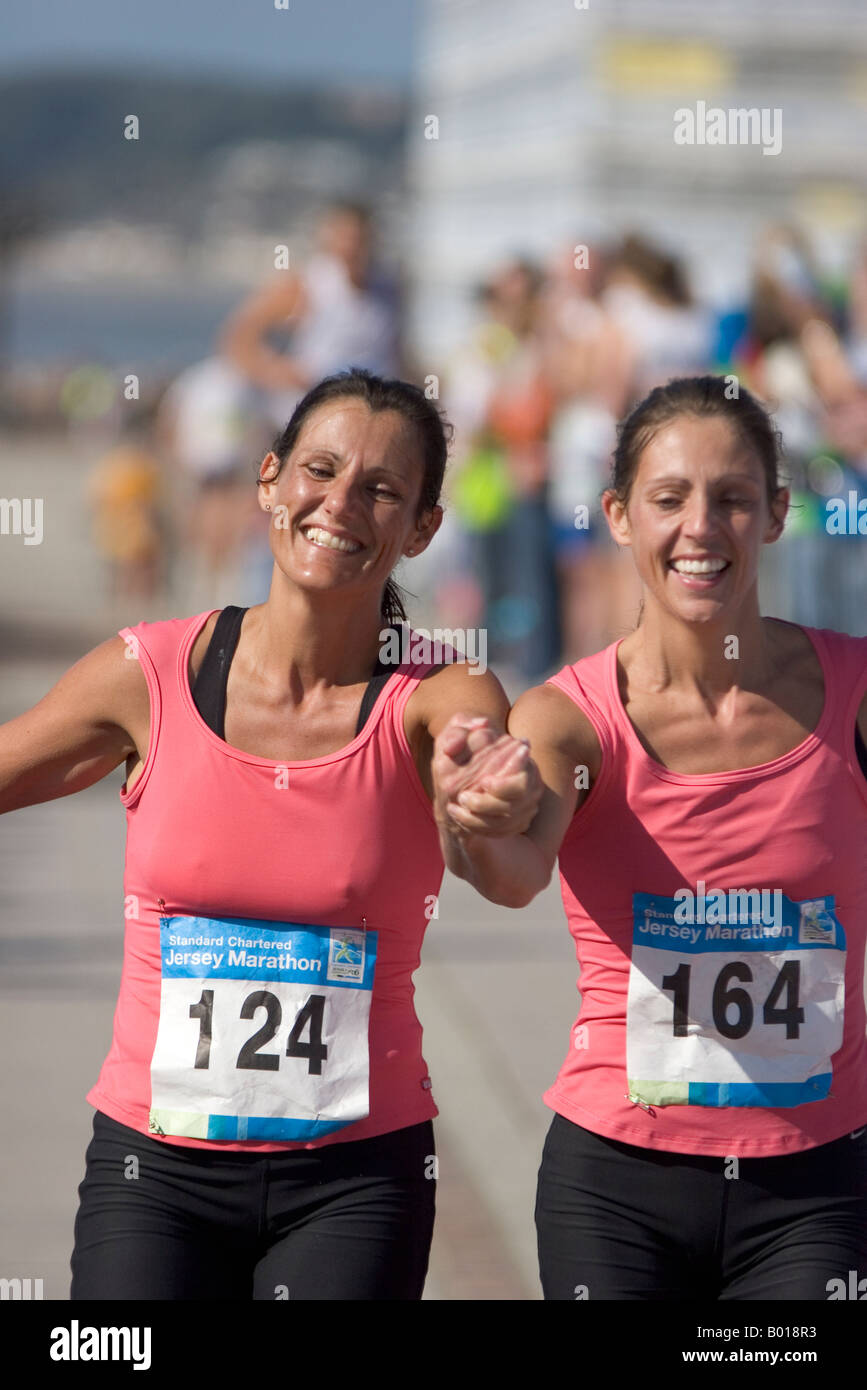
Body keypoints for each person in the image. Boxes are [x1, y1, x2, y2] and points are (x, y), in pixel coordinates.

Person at [0, 369, 540, 1301]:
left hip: (354, 1179)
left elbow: (505, 860)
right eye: (319, 471)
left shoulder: (438, 697)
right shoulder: (150, 673)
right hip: (152, 1172)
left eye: (380, 489)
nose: (340, 503)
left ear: (420, 529)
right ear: (267, 480)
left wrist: (490, 797)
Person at [442, 375, 867, 1300]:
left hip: (816, 1185)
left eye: (733, 498)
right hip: (616, 1186)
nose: (701, 526)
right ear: (619, 517)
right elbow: (513, 873)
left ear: (776, 515)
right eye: (669, 498)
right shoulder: (569, 720)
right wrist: (467, 820)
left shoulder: (854, 692)